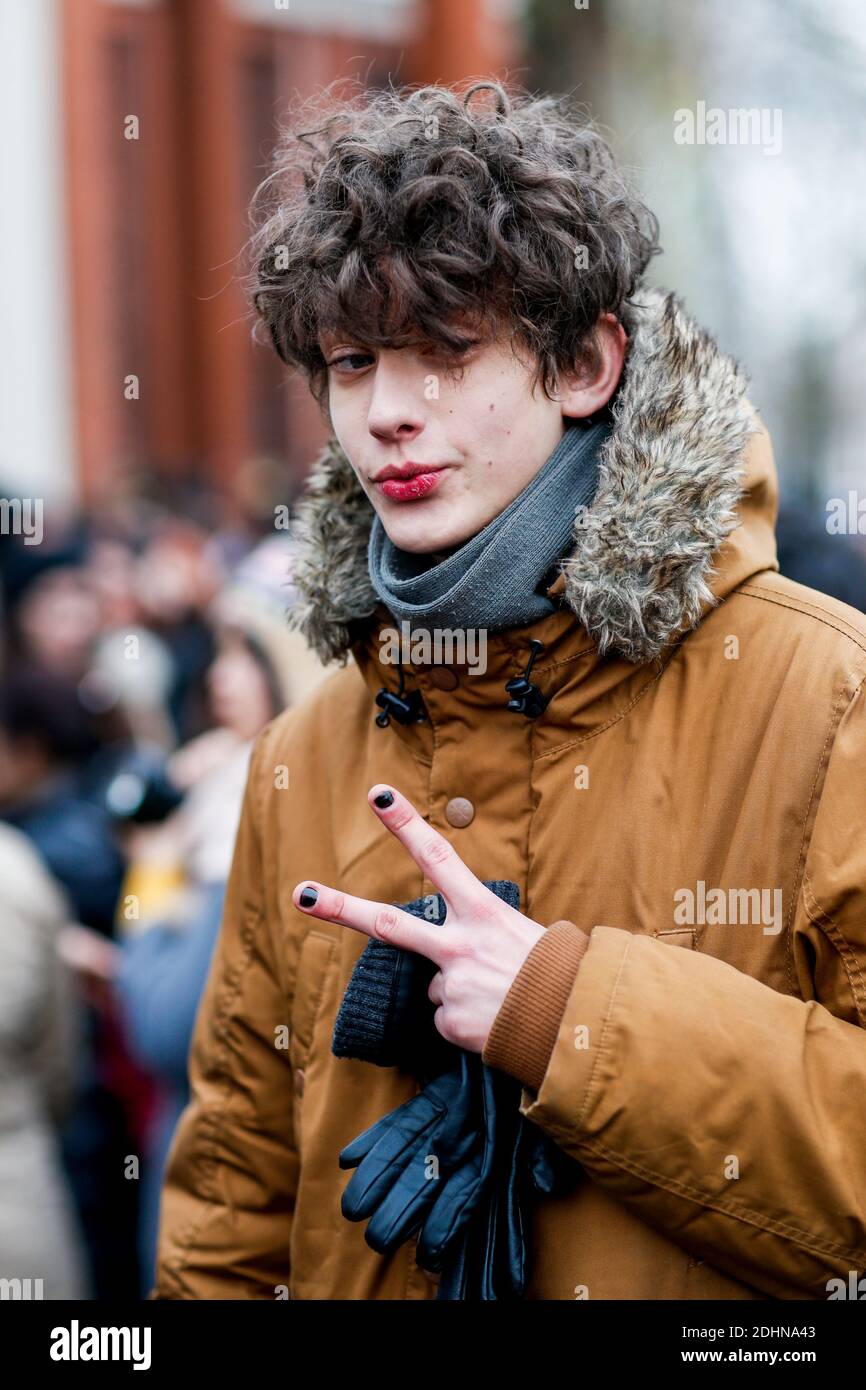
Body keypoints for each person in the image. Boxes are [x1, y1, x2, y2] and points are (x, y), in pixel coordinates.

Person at [153, 80, 866, 1300]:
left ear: (583, 364)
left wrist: (565, 1012)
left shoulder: (826, 698)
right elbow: (233, 1204)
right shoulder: (301, 748)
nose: (385, 412)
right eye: (351, 360)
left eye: (445, 349)